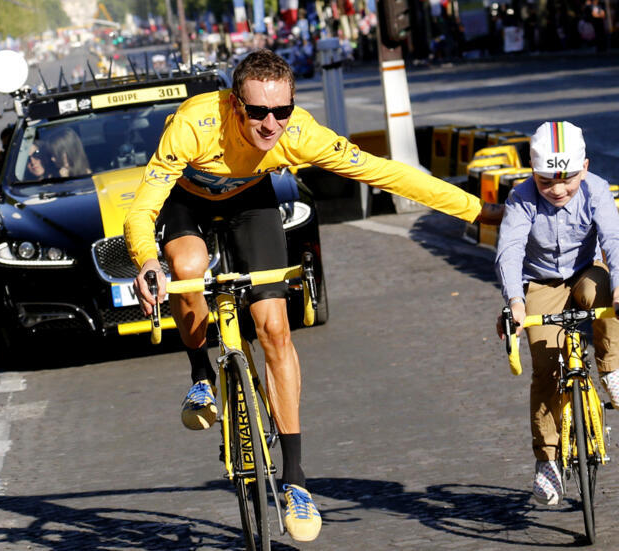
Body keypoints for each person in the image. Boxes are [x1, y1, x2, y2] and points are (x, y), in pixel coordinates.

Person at [123, 49, 501, 543]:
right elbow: (143, 206)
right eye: (258, 111)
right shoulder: (195, 123)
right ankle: (200, 375)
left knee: (275, 329)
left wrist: (477, 210)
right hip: (187, 201)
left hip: (250, 201)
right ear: (235, 104)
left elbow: (383, 172)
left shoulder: (299, 132)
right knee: (188, 268)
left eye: (281, 110)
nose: (270, 124)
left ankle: (296, 481)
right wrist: (146, 260)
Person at [495, 121, 619, 507]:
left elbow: (615, 238)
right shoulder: (521, 198)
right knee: (545, 370)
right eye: (546, 182)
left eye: (568, 180)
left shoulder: (596, 189)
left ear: (585, 168)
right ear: (532, 172)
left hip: (585, 274)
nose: (558, 190)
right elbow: (509, 250)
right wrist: (515, 303)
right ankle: (547, 461)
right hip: (540, 284)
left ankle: (610, 370)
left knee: (604, 290)